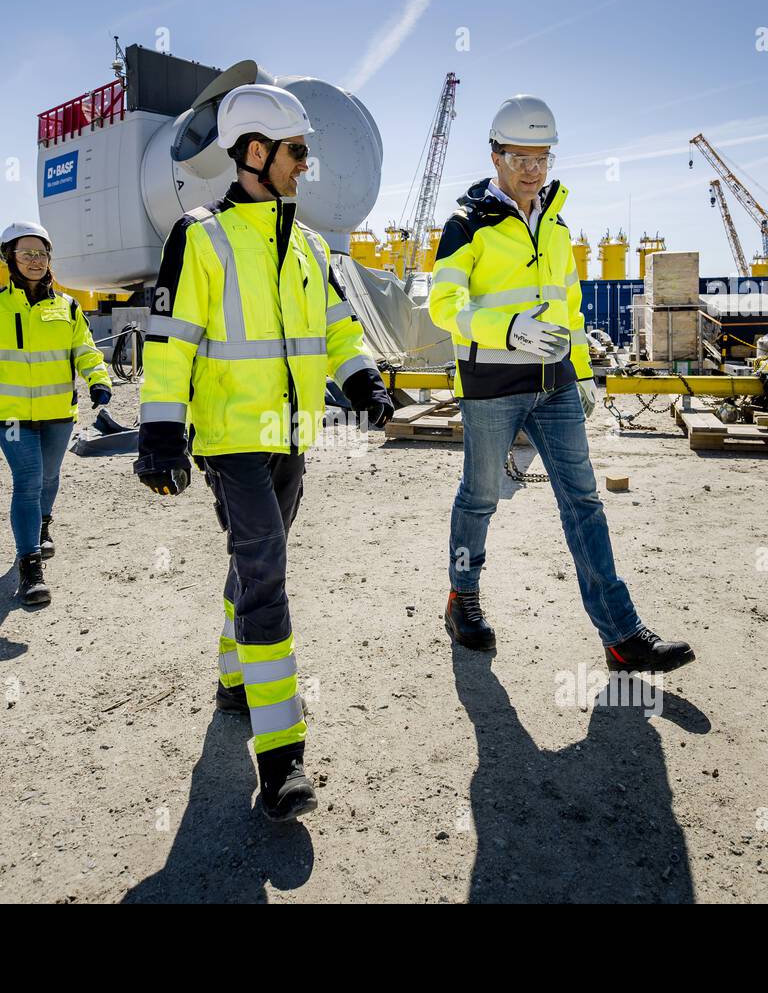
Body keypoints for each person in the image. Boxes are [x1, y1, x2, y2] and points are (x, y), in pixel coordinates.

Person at [135, 83, 395, 822]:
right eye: (297, 152)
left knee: (253, 565)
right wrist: (160, 430)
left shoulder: (309, 246)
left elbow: (338, 325)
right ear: (255, 153)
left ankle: (229, 676)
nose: (305, 166)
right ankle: (281, 760)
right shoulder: (200, 237)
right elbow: (173, 339)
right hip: (231, 441)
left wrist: (364, 378)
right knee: (268, 579)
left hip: (291, 440)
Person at [428, 95, 694, 673]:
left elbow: (569, 308)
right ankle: (462, 597)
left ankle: (622, 636)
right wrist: (508, 330)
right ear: (496, 155)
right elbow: (442, 306)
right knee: (480, 498)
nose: (533, 168)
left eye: (542, 156)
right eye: (520, 156)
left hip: (554, 387)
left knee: (584, 502)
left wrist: (580, 373)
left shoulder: (556, 224)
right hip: (491, 385)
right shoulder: (465, 225)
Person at [0, 221, 112, 606]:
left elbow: (85, 349)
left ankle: (43, 524)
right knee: (28, 479)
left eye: (42, 253)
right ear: (8, 257)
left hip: (58, 411)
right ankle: (30, 567)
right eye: (27, 253)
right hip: (10, 416)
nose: (35, 260)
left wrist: (98, 379)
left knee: (49, 476)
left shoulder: (67, 306)